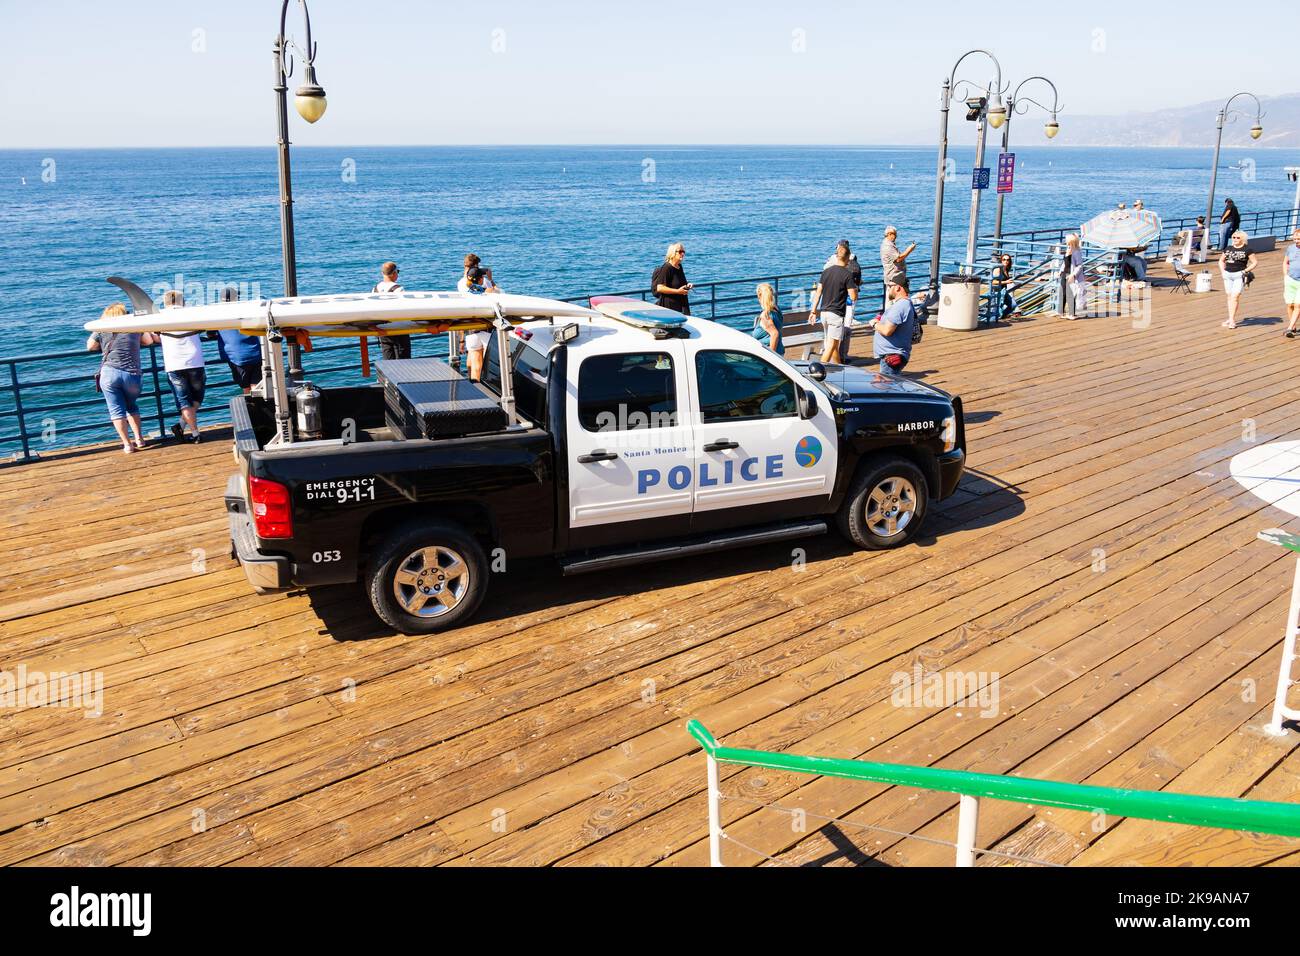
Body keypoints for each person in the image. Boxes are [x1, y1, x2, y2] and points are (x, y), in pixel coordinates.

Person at [87, 303, 159, 454]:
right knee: (131, 406)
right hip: (131, 374)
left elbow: (90, 346)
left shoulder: (102, 327)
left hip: (109, 373)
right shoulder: (134, 326)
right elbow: (149, 341)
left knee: (116, 410)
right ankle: (139, 439)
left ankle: (127, 445)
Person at [159, 290, 206, 443]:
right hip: (195, 361)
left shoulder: (159, 317)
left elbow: (149, 337)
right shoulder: (192, 314)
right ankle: (186, 428)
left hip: (174, 363)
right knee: (198, 398)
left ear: (165, 302)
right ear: (182, 301)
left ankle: (192, 432)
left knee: (184, 401)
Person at [809, 240, 858, 364]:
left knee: (834, 344)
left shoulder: (826, 272)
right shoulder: (847, 274)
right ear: (847, 258)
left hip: (824, 313)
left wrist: (813, 311)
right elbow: (853, 297)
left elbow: (818, 292)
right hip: (836, 314)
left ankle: (838, 368)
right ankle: (818, 370)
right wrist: (854, 289)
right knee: (831, 345)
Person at [211, 286, 262, 394]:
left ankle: (251, 407)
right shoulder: (247, 310)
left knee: (246, 388)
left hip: (235, 356)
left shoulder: (216, 314)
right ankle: (258, 405)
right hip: (255, 353)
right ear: (237, 298)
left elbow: (210, 334)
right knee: (256, 386)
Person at [874, 280, 916, 376]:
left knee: (887, 387)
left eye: (890, 286)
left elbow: (887, 331)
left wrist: (874, 324)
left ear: (897, 287)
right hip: (893, 354)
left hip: (892, 356)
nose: (888, 289)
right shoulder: (906, 303)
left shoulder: (900, 306)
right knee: (890, 385)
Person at [1219, 230, 1257, 329]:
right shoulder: (1228, 248)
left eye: (1238, 238)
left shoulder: (1247, 249)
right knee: (1229, 296)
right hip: (1227, 275)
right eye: (1234, 237)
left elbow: (1254, 262)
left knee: (1235, 296)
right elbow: (1221, 260)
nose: (1235, 239)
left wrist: (1245, 271)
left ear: (1243, 239)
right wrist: (1222, 271)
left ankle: (1232, 320)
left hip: (1239, 275)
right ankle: (1230, 317)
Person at [462, 266, 495, 381]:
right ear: (481, 279)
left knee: (474, 364)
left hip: (471, 331)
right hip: (486, 331)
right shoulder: (487, 292)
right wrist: (490, 280)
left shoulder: (466, 293)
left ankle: (473, 387)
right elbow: (496, 290)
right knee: (486, 365)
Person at [373, 261, 409, 359]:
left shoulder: (375, 288)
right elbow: (403, 308)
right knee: (403, 359)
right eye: (397, 271)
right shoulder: (398, 289)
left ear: (382, 273)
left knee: (387, 357)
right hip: (398, 328)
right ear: (394, 273)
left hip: (382, 327)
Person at [651, 243, 691, 314]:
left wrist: (687, 285)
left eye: (683, 252)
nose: (682, 254)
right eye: (680, 252)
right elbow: (660, 288)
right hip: (670, 306)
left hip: (681, 303)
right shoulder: (666, 268)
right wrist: (678, 291)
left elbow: (678, 283)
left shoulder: (679, 267)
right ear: (673, 253)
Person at [751, 283, 784, 355]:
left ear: (760, 297)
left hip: (767, 355)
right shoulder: (777, 309)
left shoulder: (765, 316)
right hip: (780, 350)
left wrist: (772, 357)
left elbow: (775, 334)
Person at [1062, 234, 1086, 319]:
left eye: (1067, 241)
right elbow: (1065, 263)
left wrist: (1073, 275)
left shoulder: (1077, 252)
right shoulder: (1068, 249)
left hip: (1072, 275)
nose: (1066, 242)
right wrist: (1060, 271)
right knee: (1064, 293)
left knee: (1071, 294)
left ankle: (1072, 314)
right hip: (1065, 274)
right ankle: (1063, 312)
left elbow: (1079, 265)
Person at [991, 253, 1019, 321]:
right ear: (1001, 260)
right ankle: (992, 323)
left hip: (1003, 291)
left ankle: (1001, 317)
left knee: (1013, 305)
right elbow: (993, 282)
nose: (1006, 261)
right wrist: (1006, 282)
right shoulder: (998, 269)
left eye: (1008, 260)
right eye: (1004, 259)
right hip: (996, 292)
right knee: (996, 310)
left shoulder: (1006, 269)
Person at [1284, 229, 1300, 338]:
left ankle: (1289, 327)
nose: (1296, 241)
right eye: (1295, 238)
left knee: (1298, 305)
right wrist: (1285, 275)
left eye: (1298, 239)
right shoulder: (1290, 248)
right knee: (1290, 304)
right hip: (1290, 279)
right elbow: (1285, 262)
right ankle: (1293, 326)